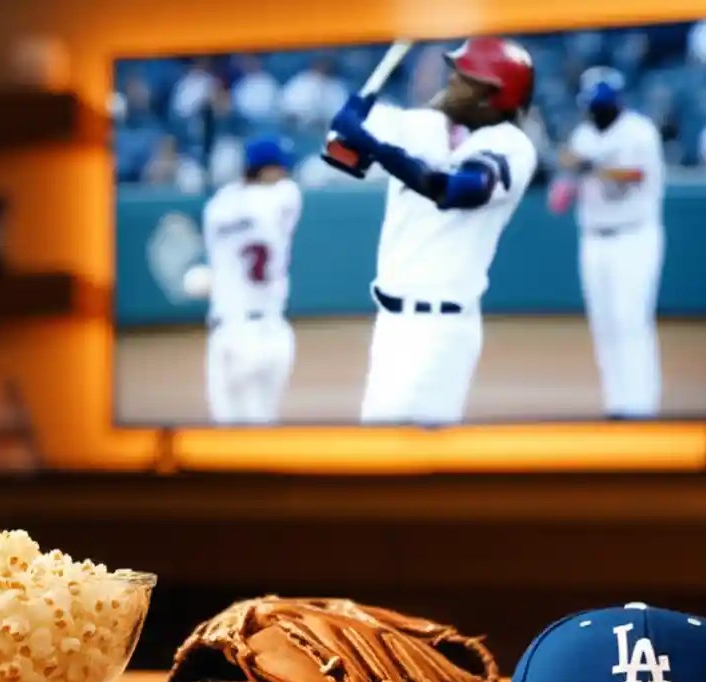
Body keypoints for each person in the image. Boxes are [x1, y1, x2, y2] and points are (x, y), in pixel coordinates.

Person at [325, 36, 539, 425]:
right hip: (390, 322)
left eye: (464, 78)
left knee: (408, 461)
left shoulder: (512, 148)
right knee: (377, 452)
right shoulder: (420, 125)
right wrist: (350, 121)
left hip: (440, 328)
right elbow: (342, 154)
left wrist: (375, 145)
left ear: (492, 96)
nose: (451, 81)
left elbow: (454, 190)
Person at [548, 66, 667, 419]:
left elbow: (633, 175)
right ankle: (617, 402)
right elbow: (562, 198)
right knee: (604, 323)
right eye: (593, 103)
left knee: (630, 319)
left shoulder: (639, 131)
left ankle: (642, 404)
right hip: (594, 238)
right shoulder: (583, 136)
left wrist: (586, 165)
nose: (599, 109)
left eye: (605, 102)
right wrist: (562, 174)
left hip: (634, 237)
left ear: (619, 100)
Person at [198, 135, 302, 424]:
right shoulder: (287, 197)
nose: (284, 174)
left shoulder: (218, 206)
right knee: (261, 428)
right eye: (279, 167)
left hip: (231, 331)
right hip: (274, 333)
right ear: (265, 169)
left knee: (229, 437)